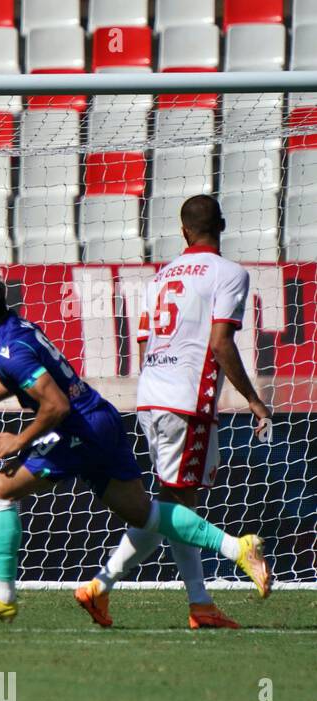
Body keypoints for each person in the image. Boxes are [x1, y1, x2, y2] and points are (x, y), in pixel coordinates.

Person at [0, 268, 271, 622]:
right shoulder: (18, 329)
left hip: (76, 430)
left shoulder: (11, 350)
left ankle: (3, 594)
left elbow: (55, 404)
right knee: (144, 514)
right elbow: (25, 376)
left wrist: (18, 440)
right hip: (99, 419)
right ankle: (237, 547)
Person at [76, 195, 273, 630]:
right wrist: (255, 401)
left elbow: (145, 346)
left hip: (151, 397)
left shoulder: (160, 277)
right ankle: (228, 559)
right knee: (180, 505)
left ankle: (115, 589)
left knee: (172, 506)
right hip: (188, 401)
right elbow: (221, 344)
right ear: (222, 225)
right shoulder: (230, 274)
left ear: (183, 231)